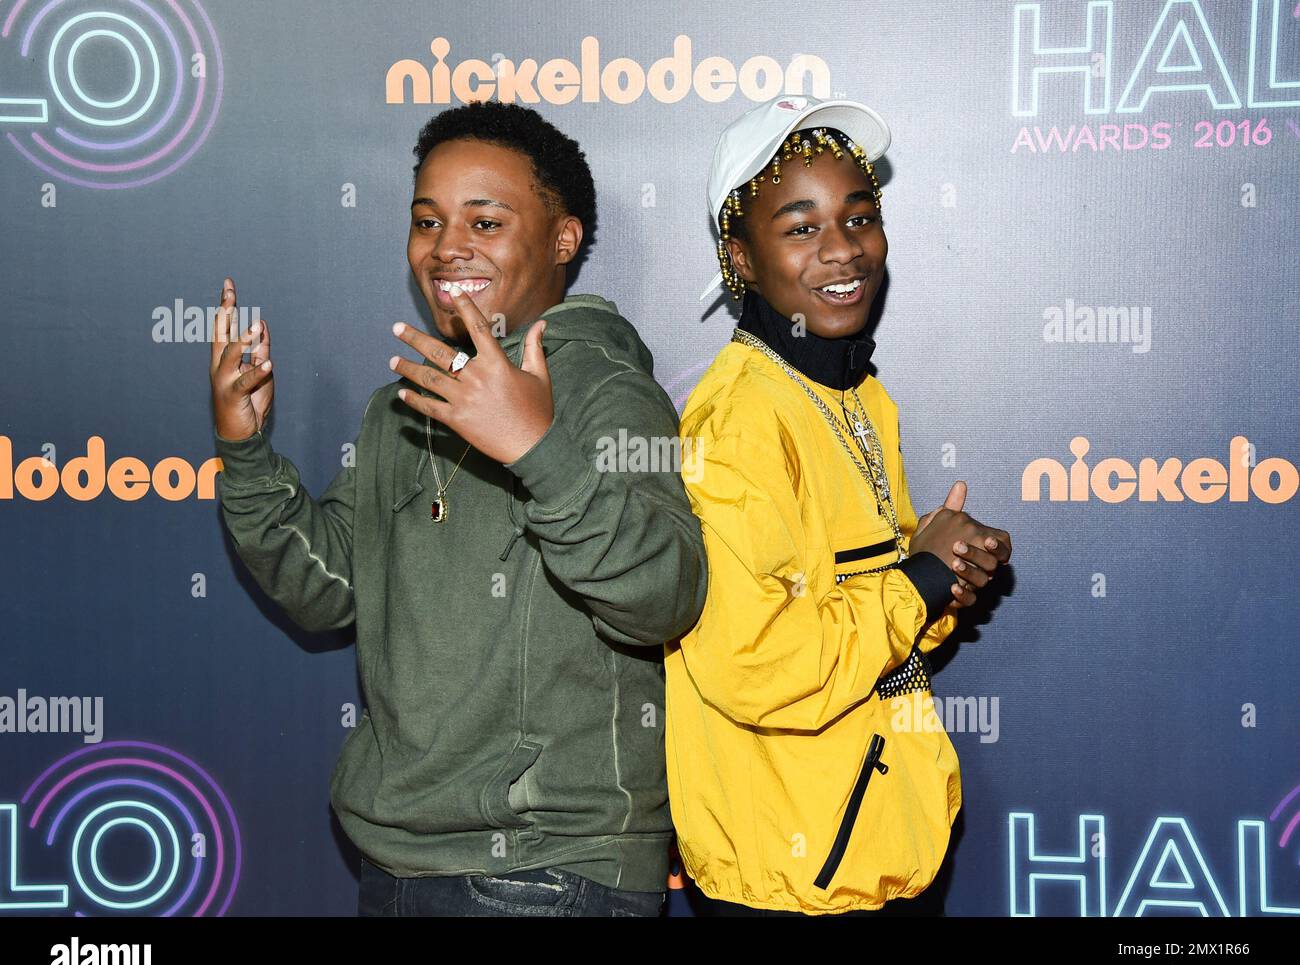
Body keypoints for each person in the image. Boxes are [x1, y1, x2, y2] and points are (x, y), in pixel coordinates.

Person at [208, 100, 707, 917]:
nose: (448, 248)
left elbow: (665, 597)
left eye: (486, 220)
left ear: (562, 239)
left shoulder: (605, 390)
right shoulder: (400, 406)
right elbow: (327, 589)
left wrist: (536, 449)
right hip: (399, 859)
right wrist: (248, 454)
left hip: (553, 872)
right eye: (428, 220)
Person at [665, 94, 1012, 916]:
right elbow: (760, 664)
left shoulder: (857, 392)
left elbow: (864, 620)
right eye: (800, 227)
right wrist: (917, 581)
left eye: (859, 217)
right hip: (790, 878)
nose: (842, 249)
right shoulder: (741, 419)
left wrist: (945, 577)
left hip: (880, 847)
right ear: (740, 258)